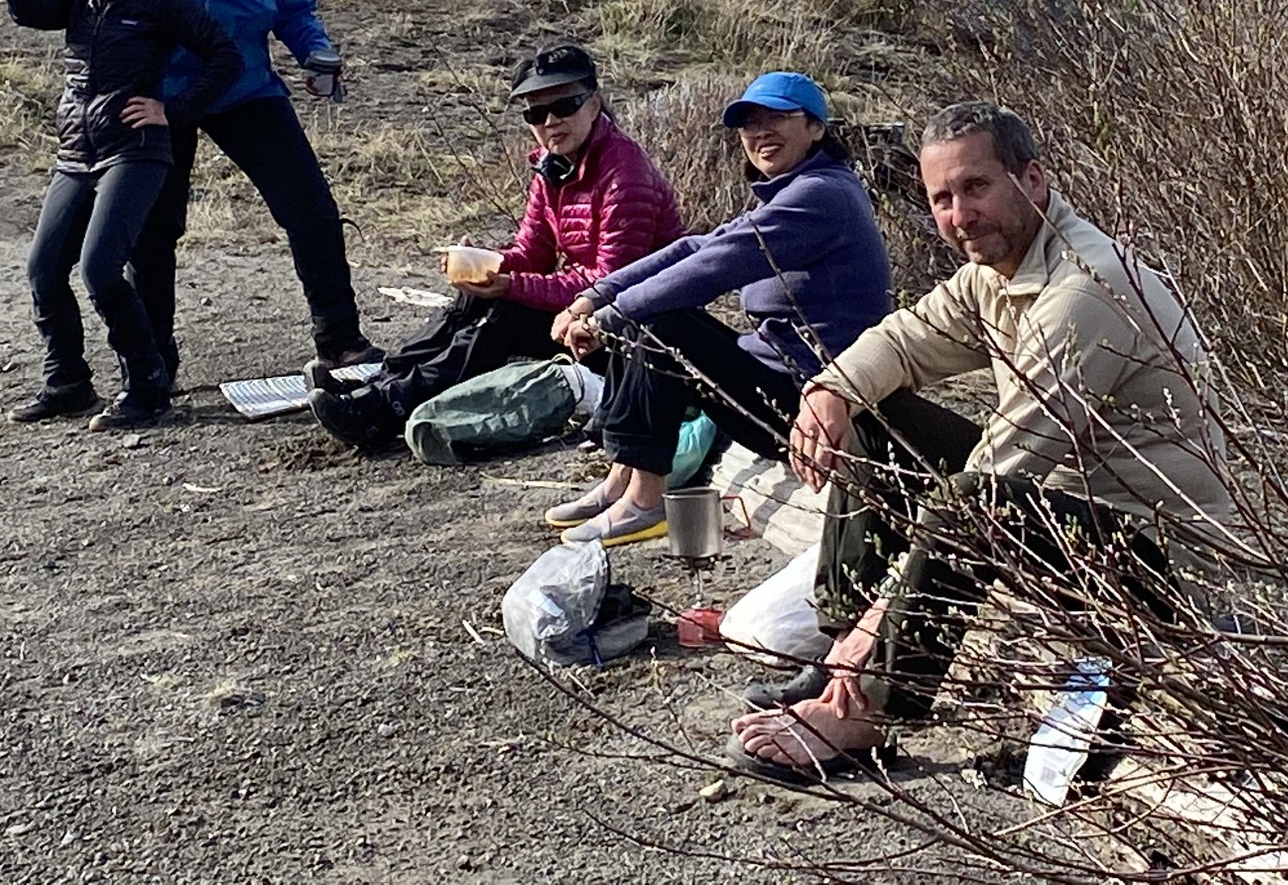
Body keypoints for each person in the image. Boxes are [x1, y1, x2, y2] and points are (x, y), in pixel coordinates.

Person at [727, 100, 1240, 784]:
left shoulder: (1083, 292)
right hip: (1077, 520)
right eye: (943, 198)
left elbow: (1003, 470)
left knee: (979, 495)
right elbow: (904, 339)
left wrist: (886, 620)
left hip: (1164, 561)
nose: (960, 214)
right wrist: (831, 390)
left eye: (977, 187)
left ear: (1033, 180)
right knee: (876, 413)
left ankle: (869, 708)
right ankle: (837, 661)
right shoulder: (998, 269)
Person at [548, 73, 893, 547]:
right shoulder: (794, 189)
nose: (760, 132)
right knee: (652, 317)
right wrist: (596, 296)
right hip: (782, 383)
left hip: (814, 407)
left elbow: (714, 267)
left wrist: (610, 317)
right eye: (750, 123)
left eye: (777, 118)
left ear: (816, 128)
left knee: (663, 322)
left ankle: (646, 499)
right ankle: (621, 479)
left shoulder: (821, 196)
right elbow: (695, 246)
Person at [307, 43, 685, 451]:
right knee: (472, 303)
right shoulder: (554, 165)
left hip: (635, 333)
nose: (551, 121)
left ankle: (386, 410)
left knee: (503, 317)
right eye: (536, 113)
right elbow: (534, 252)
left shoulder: (624, 175)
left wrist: (510, 286)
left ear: (594, 104)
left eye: (565, 105)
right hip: (588, 315)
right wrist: (484, 263)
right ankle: (381, 384)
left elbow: (608, 283)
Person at [0, 0, 241, 431]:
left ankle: (148, 388)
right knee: (43, 269)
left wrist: (174, 110)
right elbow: (28, 9)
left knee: (100, 270)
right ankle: (68, 384)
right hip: (75, 152)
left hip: (135, 152)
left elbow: (225, 56)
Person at [131, 0, 381, 387]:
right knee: (152, 227)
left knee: (310, 208)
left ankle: (340, 342)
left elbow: (294, 10)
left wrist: (316, 54)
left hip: (245, 90)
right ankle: (152, 363)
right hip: (167, 100)